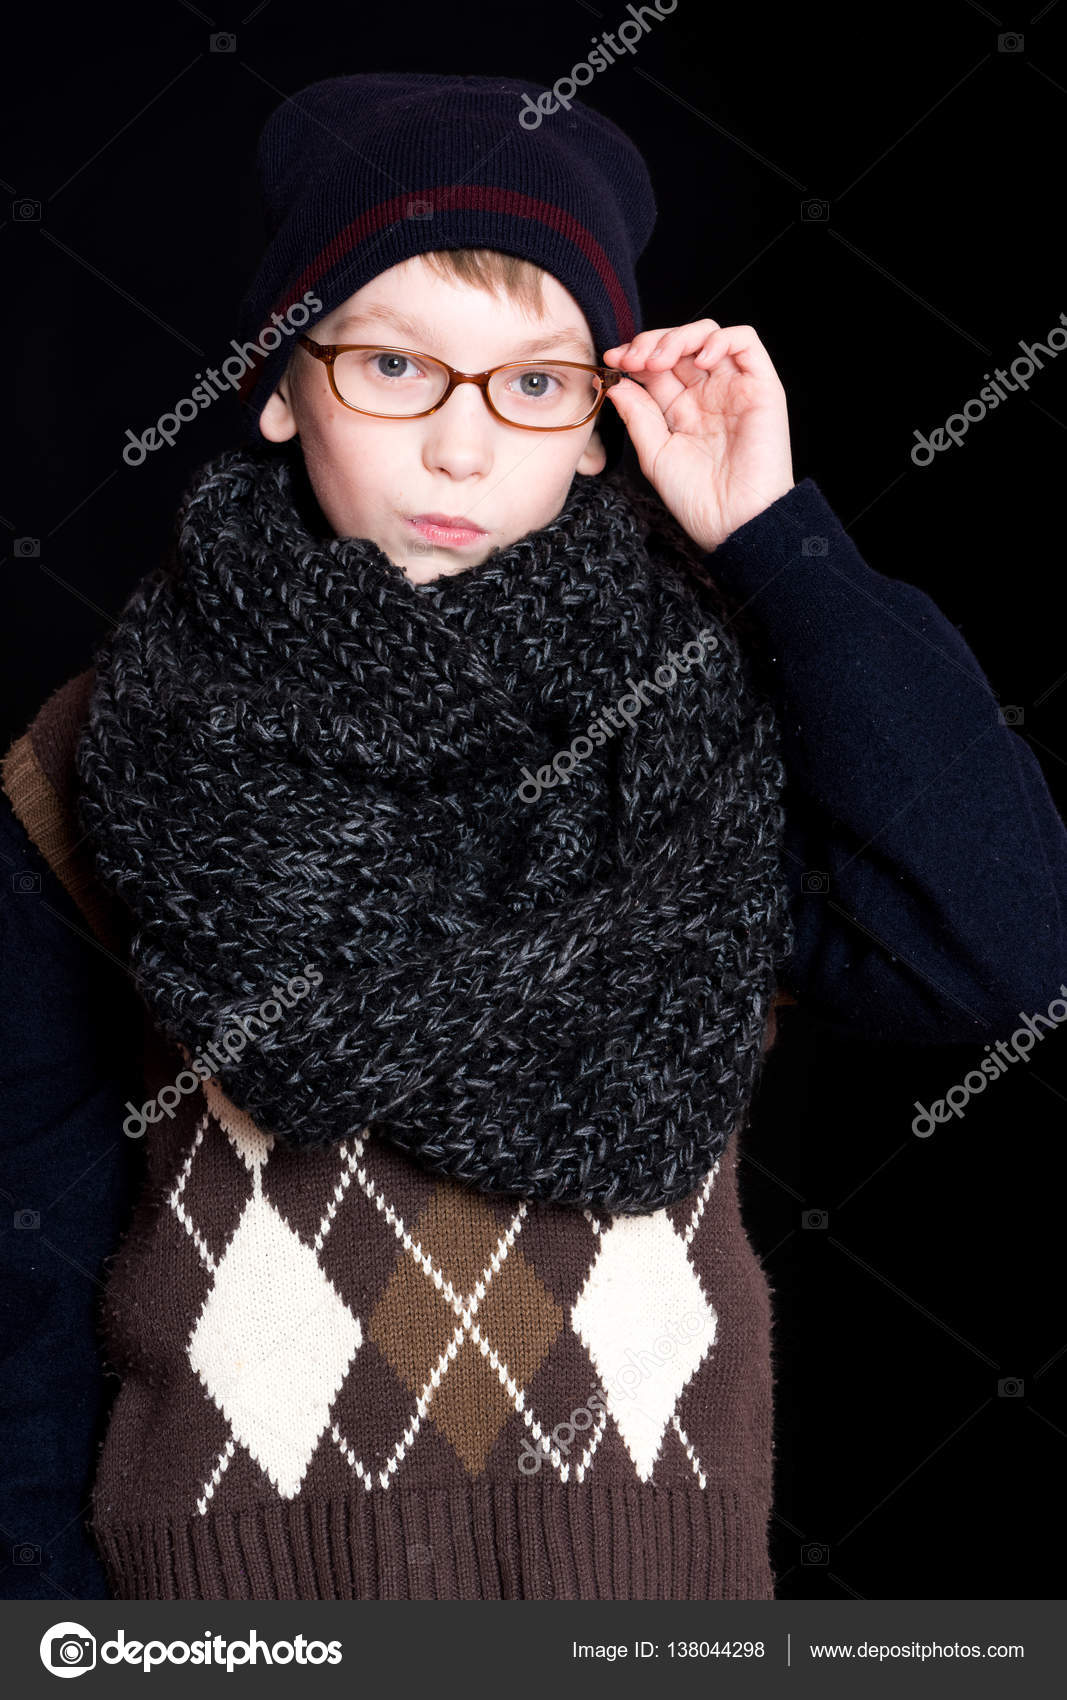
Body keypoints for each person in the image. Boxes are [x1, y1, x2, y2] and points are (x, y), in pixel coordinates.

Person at [2, 72, 1064, 1603]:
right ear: (279, 383)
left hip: (648, 1598)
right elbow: (20, 1268)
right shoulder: (91, 753)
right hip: (232, 1607)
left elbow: (998, 953)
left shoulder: (709, 747)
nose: (459, 448)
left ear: (598, 423)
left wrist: (780, 541)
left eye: (533, 385)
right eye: (391, 367)